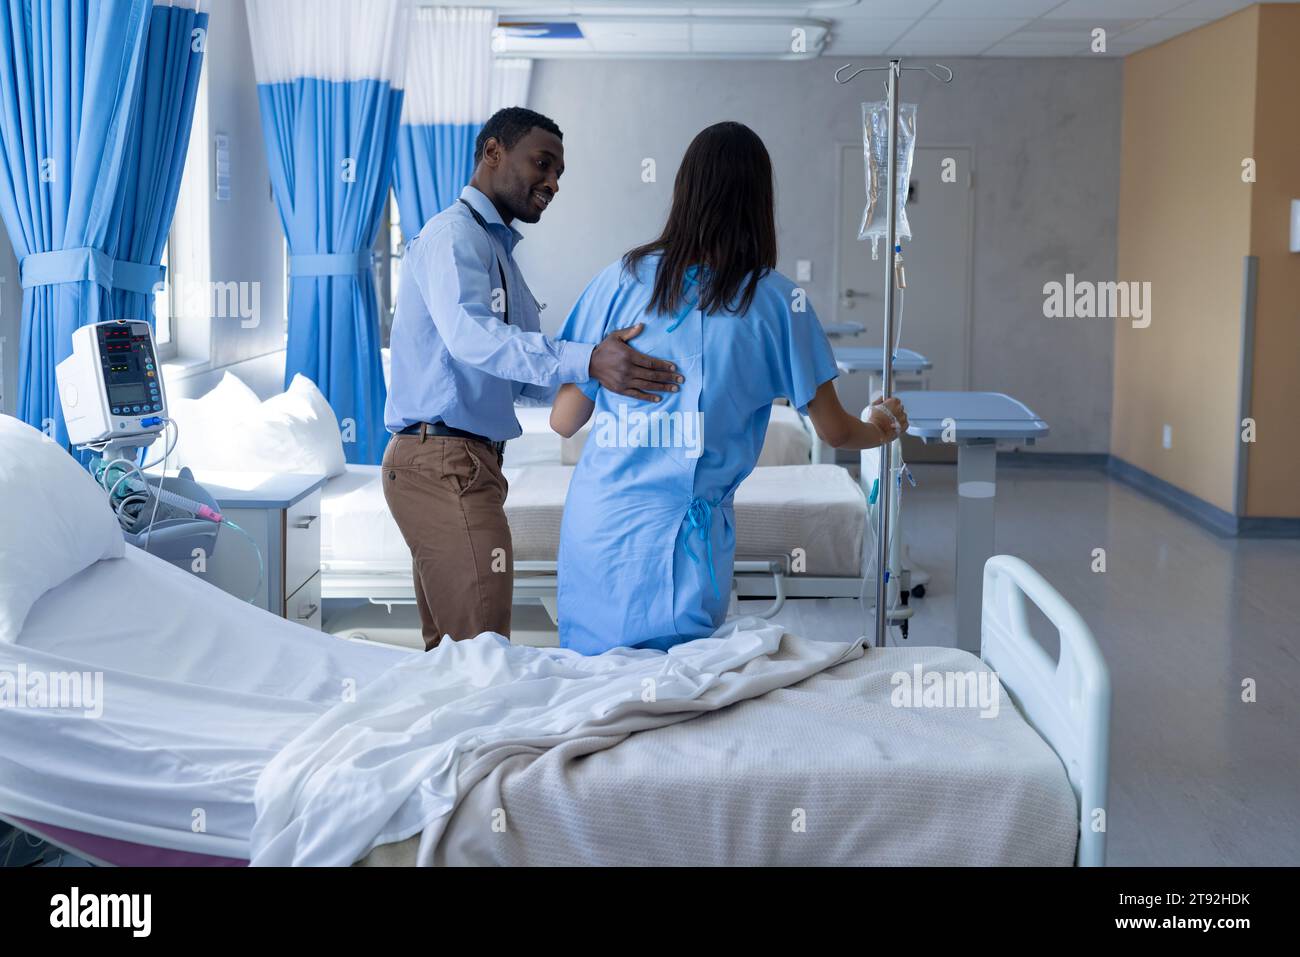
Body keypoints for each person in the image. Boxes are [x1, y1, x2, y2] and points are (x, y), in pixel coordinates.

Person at [550, 121, 908, 655]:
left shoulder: (618, 280)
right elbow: (835, 429)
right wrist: (883, 426)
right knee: (675, 700)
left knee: (590, 695)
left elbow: (562, 421)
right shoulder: (778, 304)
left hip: (600, 528)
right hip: (685, 543)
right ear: (760, 201)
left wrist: (601, 362)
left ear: (683, 191)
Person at [383, 107, 683, 650]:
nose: (552, 183)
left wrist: (597, 366)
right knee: (482, 653)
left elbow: (515, 378)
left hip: (464, 462)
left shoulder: (494, 248)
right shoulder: (454, 237)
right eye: (542, 165)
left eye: (559, 174)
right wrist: (585, 359)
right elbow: (472, 340)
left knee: (453, 654)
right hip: (444, 463)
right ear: (493, 151)